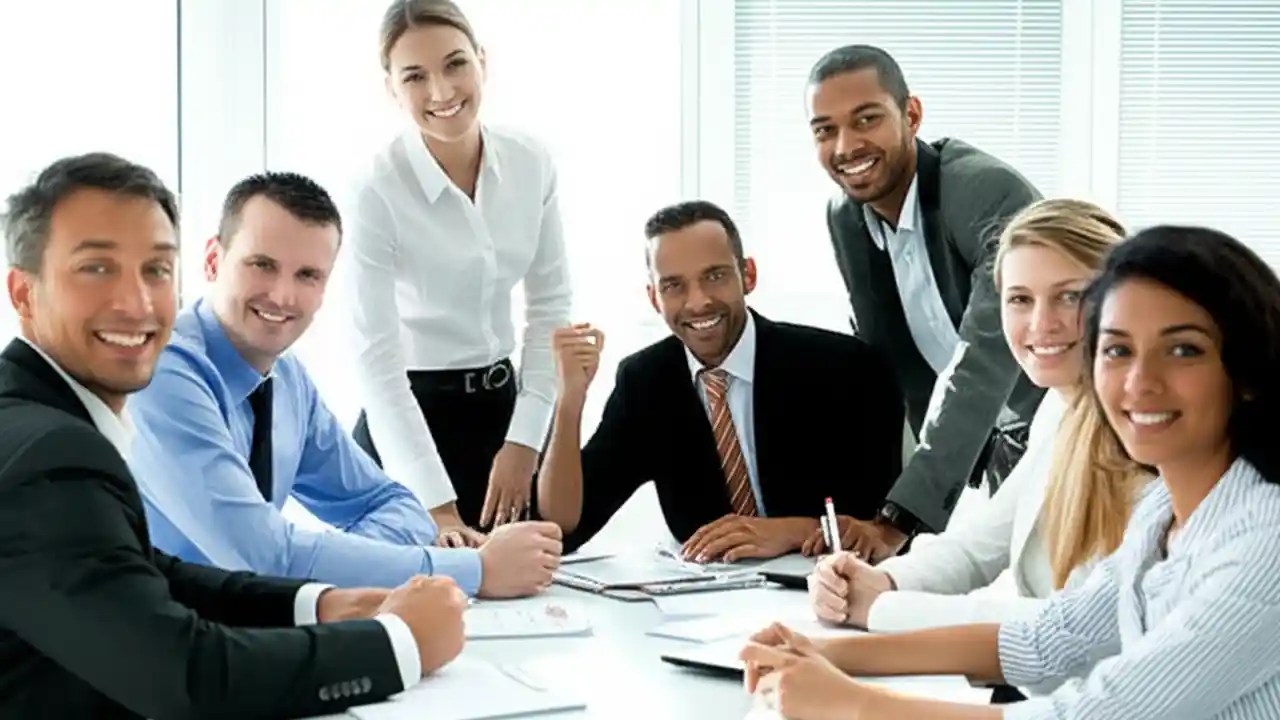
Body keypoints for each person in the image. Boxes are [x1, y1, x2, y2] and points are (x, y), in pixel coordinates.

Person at [740, 225, 1280, 719]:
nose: (1140, 382)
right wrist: (825, 653)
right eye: (1117, 349)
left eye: (1183, 350)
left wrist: (851, 704)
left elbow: (1098, 715)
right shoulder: (1168, 512)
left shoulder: (1264, 540)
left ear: (1249, 369)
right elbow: (1043, 641)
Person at [0, 152, 469, 719]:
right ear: (24, 293)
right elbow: (186, 676)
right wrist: (399, 645)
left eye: (155, 270)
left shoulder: (48, 423)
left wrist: (318, 602)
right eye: (97, 268)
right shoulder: (48, 454)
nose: (137, 303)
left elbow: (151, 573)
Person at [127, 171, 562, 598]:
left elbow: (396, 505)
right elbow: (262, 558)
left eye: (307, 275)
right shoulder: (162, 371)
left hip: (246, 629)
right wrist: (475, 570)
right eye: (262, 265)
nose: (282, 296)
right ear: (212, 261)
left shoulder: (287, 379)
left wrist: (326, 557)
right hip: (157, 642)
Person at [808, 199, 1150, 702]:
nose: (1041, 324)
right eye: (1019, 300)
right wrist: (876, 579)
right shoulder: (1062, 407)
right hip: (1043, 689)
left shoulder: (1150, 435)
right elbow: (978, 546)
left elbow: (1078, 626)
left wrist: (879, 607)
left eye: (1069, 297)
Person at [538, 200, 904, 561]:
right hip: (710, 604)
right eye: (673, 286)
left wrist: (795, 530)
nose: (698, 303)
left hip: (827, 590)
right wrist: (570, 401)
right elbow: (564, 527)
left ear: (748, 275)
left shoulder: (845, 368)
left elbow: (887, 527)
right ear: (654, 298)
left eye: (714, 276)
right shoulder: (646, 382)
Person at [812, 44, 1045, 561]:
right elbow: (888, 365)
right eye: (825, 130)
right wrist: (871, 514)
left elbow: (984, 357)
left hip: (1077, 427)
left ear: (911, 115)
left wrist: (900, 518)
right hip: (999, 449)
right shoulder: (845, 217)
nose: (846, 146)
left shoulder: (984, 191)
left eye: (866, 119)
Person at [347, 0, 571, 536]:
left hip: (504, 411)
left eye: (454, 65)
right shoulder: (376, 190)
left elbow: (550, 308)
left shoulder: (530, 162)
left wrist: (524, 439)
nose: (442, 92)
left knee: (532, 597)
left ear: (481, 62)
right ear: (391, 89)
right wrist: (436, 504)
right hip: (409, 423)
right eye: (415, 77)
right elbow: (374, 359)